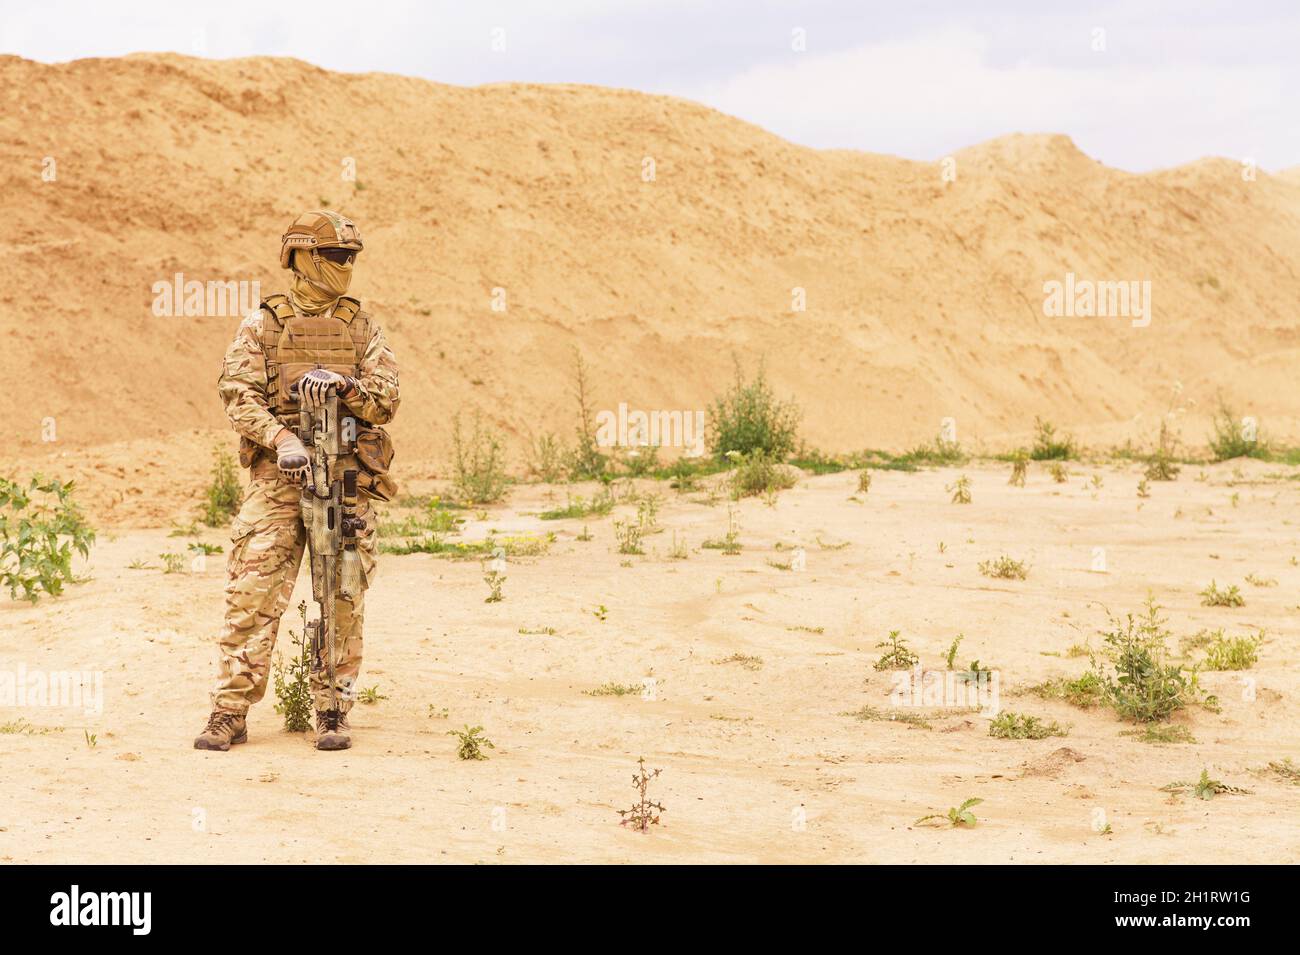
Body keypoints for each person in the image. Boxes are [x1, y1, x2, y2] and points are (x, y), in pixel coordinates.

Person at [194, 211, 399, 752]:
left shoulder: (362, 328)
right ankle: (230, 711)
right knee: (252, 593)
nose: (345, 267)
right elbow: (238, 395)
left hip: (345, 480)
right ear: (302, 258)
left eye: (350, 257)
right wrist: (282, 440)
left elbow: (387, 399)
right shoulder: (262, 325)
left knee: (343, 595)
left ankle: (332, 709)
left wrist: (348, 385)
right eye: (335, 257)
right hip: (280, 482)